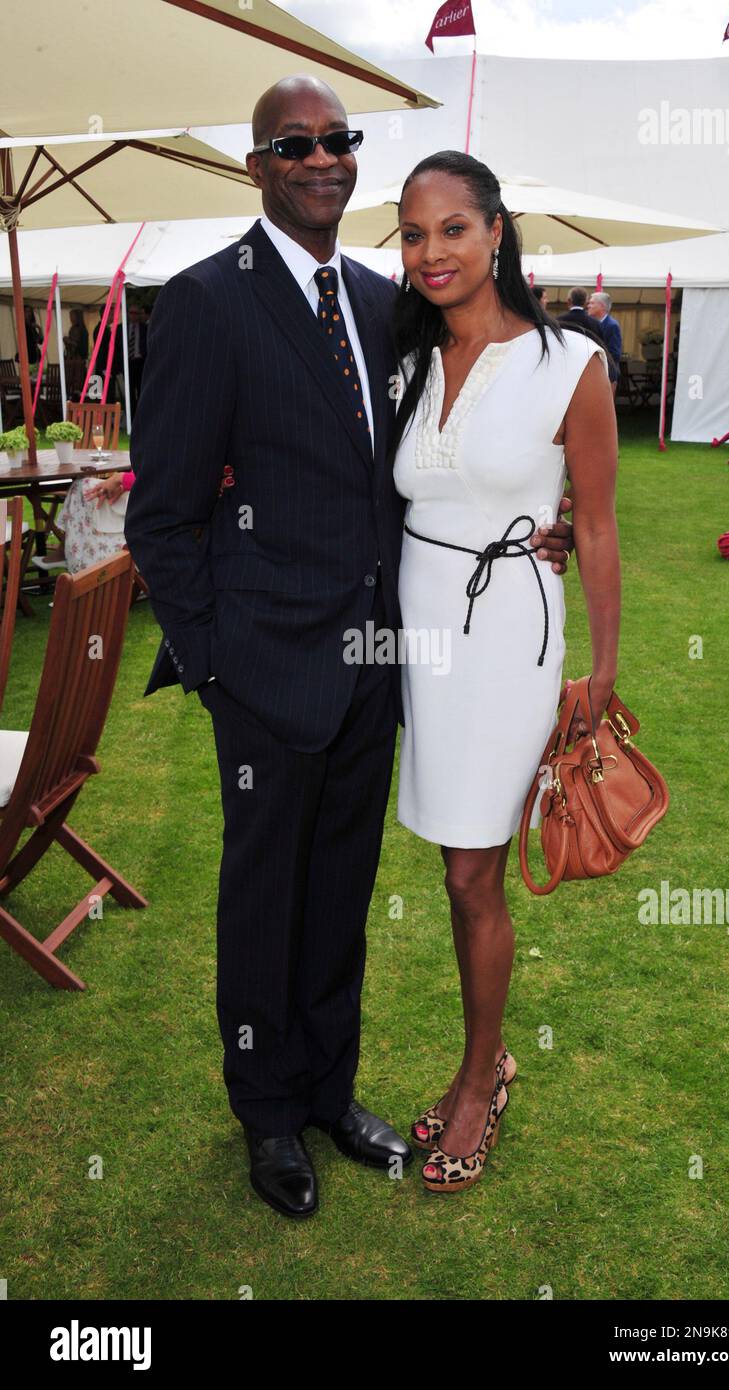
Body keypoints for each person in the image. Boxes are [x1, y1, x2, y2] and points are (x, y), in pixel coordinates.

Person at [124, 77, 576, 1221]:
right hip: (264, 674)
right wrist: (219, 659)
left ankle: (327, 1089)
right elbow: (161, 516)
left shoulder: (384, 302)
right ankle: (265, 1111)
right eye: (295, 143)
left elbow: (453, 443)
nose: (322, 158)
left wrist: (532, 522)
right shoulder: (202, 304)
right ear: (258, 165)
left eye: (337, 141)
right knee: (262, 898)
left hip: (382, 667)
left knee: (340, 894)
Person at [392, 151, 620, 1194]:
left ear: (495, 232)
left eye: (451, 228)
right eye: (411, 232)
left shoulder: (566, 362)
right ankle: (483, 1054)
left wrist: (604, 670)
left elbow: (601, 523)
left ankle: (482, 1076)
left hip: (507, 642)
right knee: (453, 861)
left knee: (471, 870)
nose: (431, 251)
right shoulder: (404, 352)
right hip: (420, 639)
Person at [587, 290, 622, 396]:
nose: (588, 306)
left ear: (602, 306)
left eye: (592, 303)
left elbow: (615, 353)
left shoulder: (612, 326)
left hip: (607, 374)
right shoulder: (591, 323)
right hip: (595, 373)